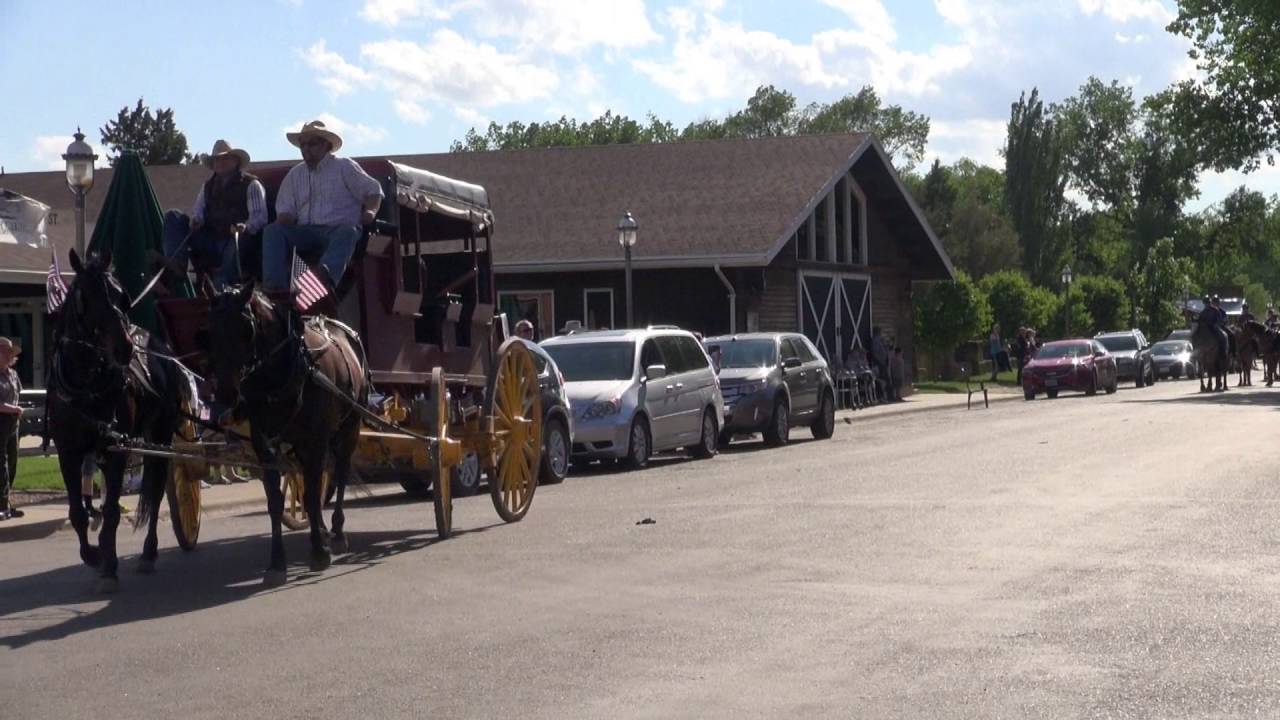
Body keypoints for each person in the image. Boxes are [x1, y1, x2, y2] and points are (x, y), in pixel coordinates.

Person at [263, 121, 384, 301]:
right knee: (272, 231)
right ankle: (275, 289)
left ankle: (322, 280)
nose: (306, 149)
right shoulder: (295, 175)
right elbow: (286, 211)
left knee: (348, 232)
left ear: (326, 145)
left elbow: (374, 191)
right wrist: (283, 220)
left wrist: (371, 212)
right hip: (305, 232)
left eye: (311, 144)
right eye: (302, 145)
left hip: (337, 231)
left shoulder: (344, 166)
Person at [161, 140, 266, 288]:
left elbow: (260, 217)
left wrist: (244, 227)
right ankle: (175, 265)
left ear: (236, 161)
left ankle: (222, 285)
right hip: (210, 240)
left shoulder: (251, 185)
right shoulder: (207, 187)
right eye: (217, 159)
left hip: (237, 240)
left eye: (225, 158)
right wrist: (196, 220)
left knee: (237, 241)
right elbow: (198, 211)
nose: (220, 162)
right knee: (173, 216)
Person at [0, 338, 23, 520]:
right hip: (1, 420)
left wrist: (16, 410)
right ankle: (2, 504)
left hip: (13, 423)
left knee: (13, 461)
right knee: (2, 464)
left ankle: (7, 502)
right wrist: (13, 409)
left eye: (10, 352)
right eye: (6, 352)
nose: (10, 355)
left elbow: (17, 394)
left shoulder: (13, 375)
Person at [870, 327, 891, 400]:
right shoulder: (876, 340)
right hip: (880, 363)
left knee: (886, 379)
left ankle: (887, 396)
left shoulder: (880, 340)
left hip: (883, 362)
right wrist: (880, 361)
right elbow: (875, 352)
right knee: (883, 379)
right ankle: (883, 396)